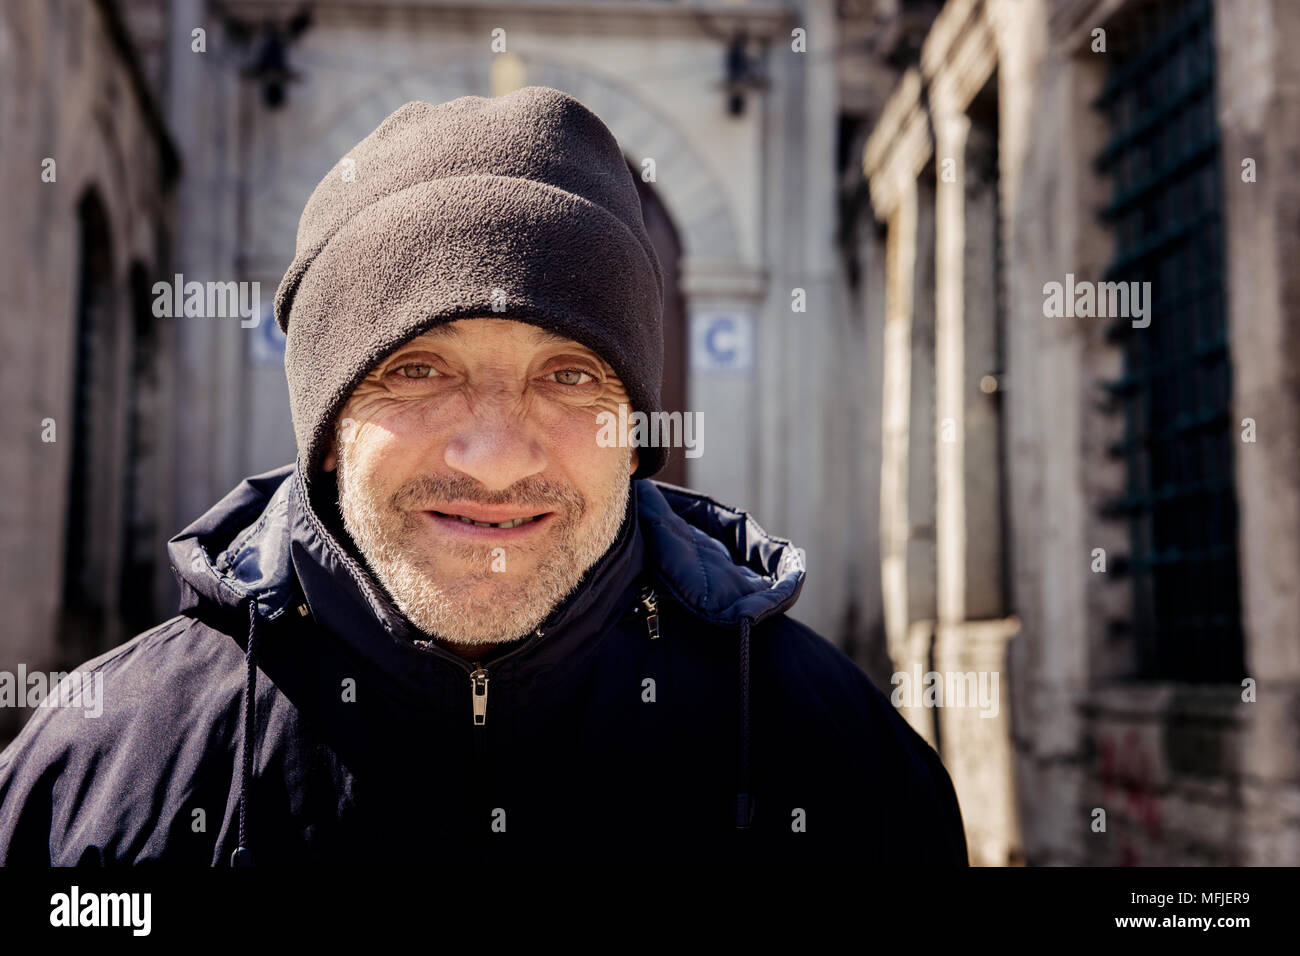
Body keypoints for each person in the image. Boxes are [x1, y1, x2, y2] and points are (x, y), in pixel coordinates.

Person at [0, 86, 967, 865]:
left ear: (633, 426)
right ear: (327, 428)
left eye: (569, 373)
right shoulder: (97, 782)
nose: (495, 455)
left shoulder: (843, 766)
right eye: (416, 369)